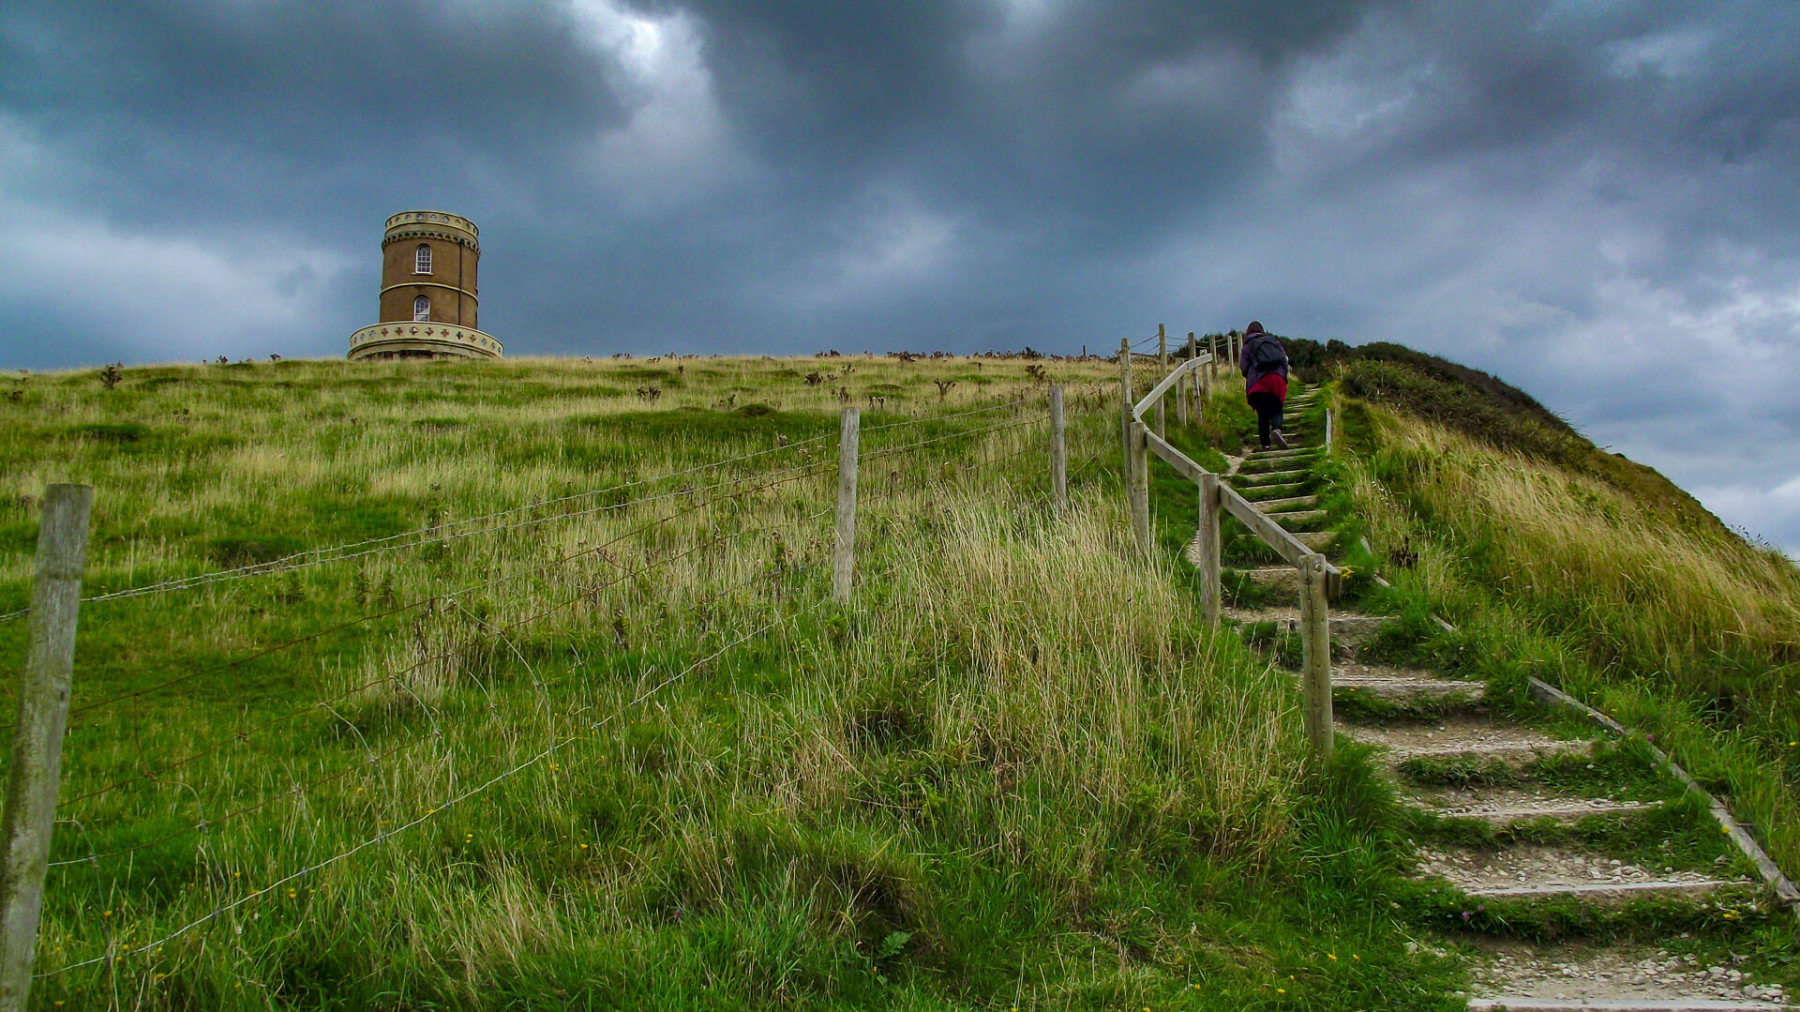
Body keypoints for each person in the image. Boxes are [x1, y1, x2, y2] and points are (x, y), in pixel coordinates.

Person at [1238, 321, 1289, 450]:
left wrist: (1252, 376)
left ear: (1248, 332)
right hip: (1277, 379)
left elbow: (1243, 367)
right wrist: (1283, 376)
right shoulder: (1273, 341)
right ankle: (1277, 429)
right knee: (1277, 408)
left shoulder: (1248, 346)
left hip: (1258, 382)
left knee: (1262, 414)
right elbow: (1284, 359)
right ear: (1262, 330)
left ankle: (1266, 445)